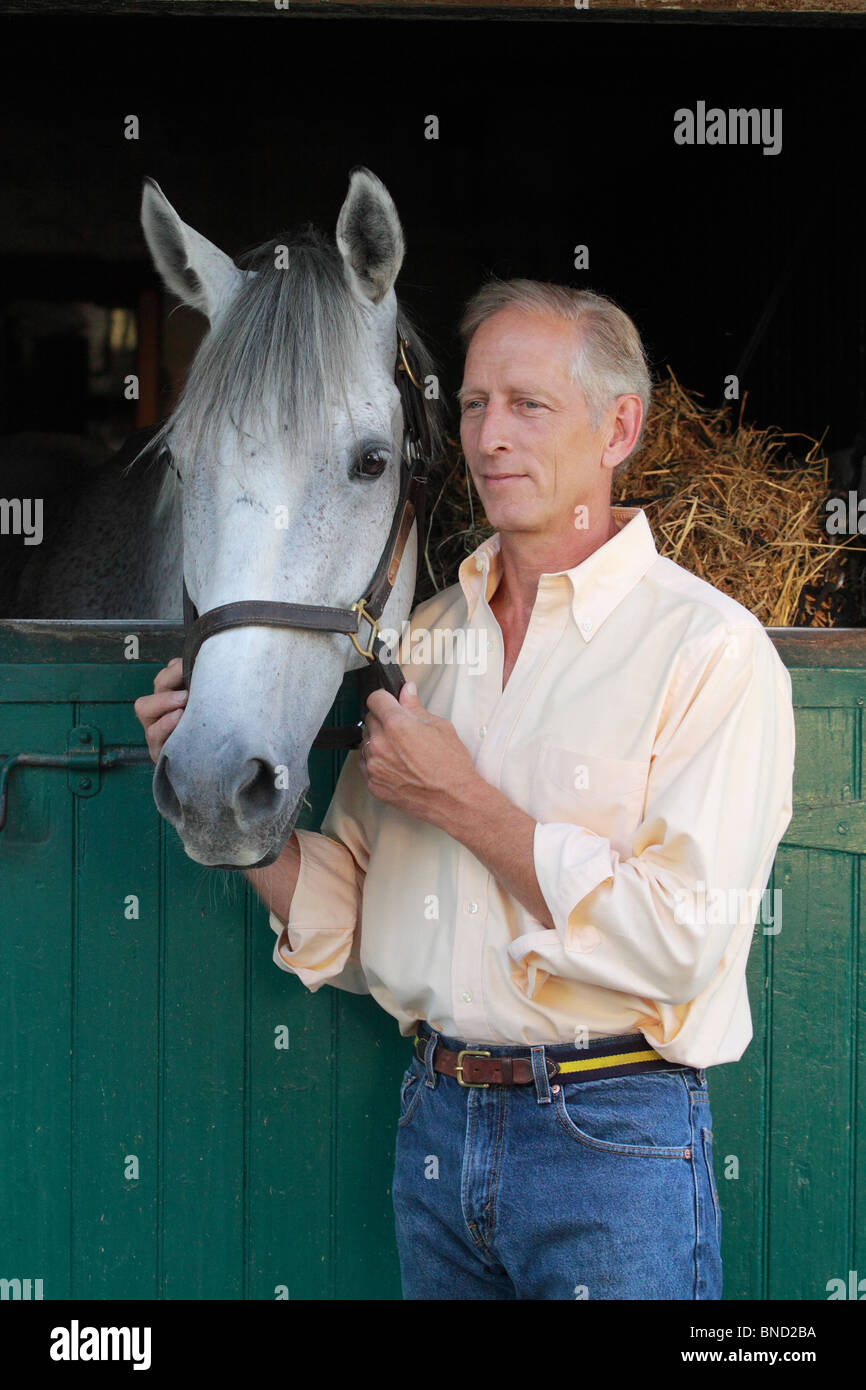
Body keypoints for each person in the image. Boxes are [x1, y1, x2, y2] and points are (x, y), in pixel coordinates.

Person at [135, 279, 795, 1300]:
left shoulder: (708, 650)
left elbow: (683, 940)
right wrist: (242, 824)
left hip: (609, 1135)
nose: (489, 437)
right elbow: (355, 920)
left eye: (527, 405)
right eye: (475, 404)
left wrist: (461, 803)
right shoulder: (424, 639)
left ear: (618, 426)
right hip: (435, 1124)